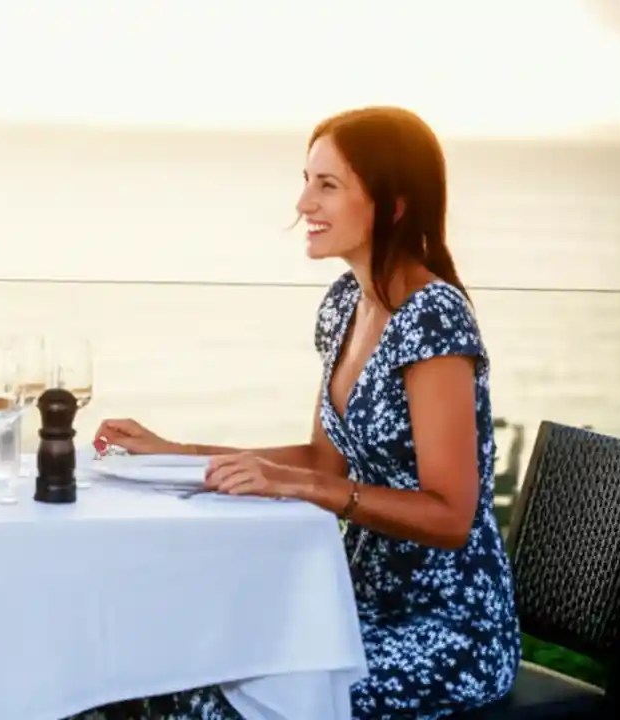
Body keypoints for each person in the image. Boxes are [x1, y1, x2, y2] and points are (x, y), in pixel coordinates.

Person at [81, 107, 521, 718]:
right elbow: (323, 457)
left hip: (447, 632)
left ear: (393, 205)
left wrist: (304, 487)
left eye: (328, 185)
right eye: (307, 180)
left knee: (213, 702)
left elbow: (450, 516)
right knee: (156, 667)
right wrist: (173, 451)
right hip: (350, 604)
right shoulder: (346, 303)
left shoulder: (434, 318)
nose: (303, 203)